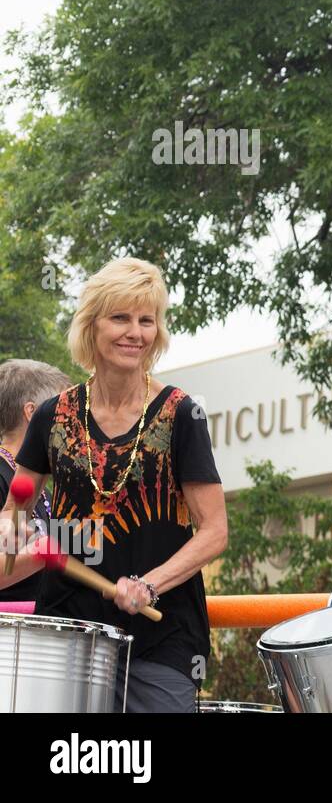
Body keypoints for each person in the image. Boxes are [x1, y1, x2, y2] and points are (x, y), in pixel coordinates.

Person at [0, 258, 227, 712]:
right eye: (120, 317)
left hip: (161, 638)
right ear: (92, 326)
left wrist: (149, 584)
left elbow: (214, 531)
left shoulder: (182, 415)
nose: (135, 332)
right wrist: (14, 527)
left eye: (147, 320)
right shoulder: (53, 416)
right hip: (69, 631)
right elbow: (19, 500)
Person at [0, 360, 71, 603]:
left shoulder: (43, 490)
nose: (72, 426)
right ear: (33, 413)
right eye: (65, 412)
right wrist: (43, 552)